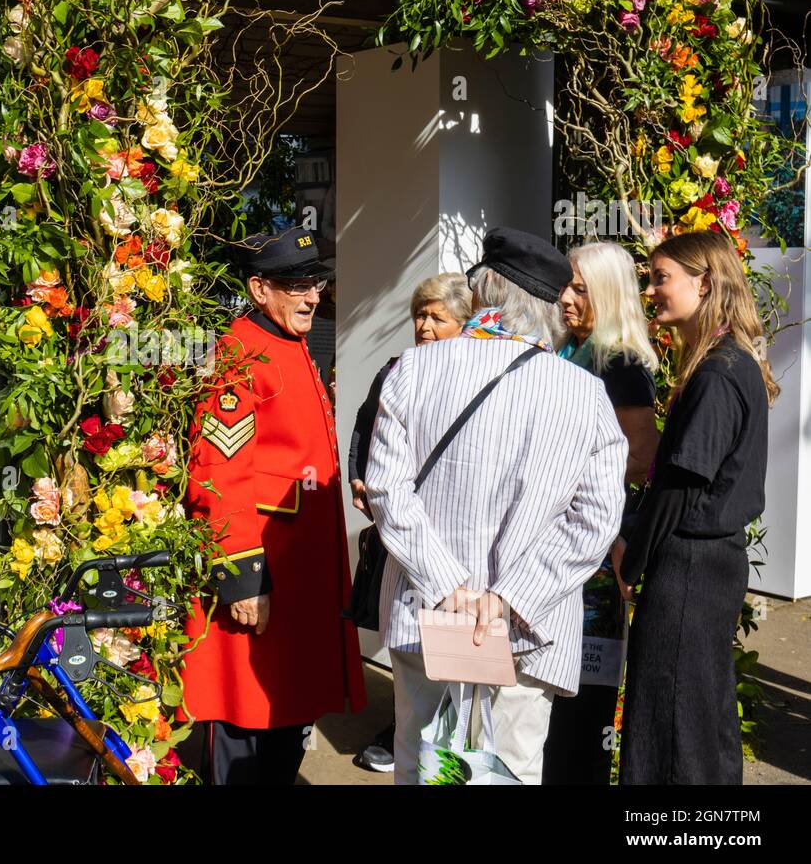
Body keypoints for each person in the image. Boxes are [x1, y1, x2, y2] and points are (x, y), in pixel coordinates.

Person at [367, 226, 627, 785]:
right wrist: (511, 597)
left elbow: (387, 490)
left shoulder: (414, 369)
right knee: (509, 769)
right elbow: (598, 518)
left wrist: (447, 583)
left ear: (482, 292)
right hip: (528, 631)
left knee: (421, 763)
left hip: (426, 612)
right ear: (552, 306)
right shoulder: (585, 394)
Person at [175, 225, 368, 784]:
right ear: (261, 290)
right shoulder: (238, 353)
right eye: (297, 285)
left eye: (316, 284)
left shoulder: (288, 343)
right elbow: (218, 472)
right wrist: (242, 577)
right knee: (244, 732)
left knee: (282, 730)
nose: (312, 296)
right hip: (263, 583)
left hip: (296, 586)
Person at [616, 230, 777, 785]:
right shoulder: (727, 363)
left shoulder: (717, 372)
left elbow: (681, 485)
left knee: (673, 723)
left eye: (662, 277)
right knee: (701, 717)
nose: (652, 290)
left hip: (690, 568)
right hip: (706, 566)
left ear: (703, 282)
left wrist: (633, 563)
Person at [543, 241, 659, 785]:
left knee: (582, 708)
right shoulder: (567, 350)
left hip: (596, 558)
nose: (565, 299)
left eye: (580, 290)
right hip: (557, 549)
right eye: (565, 286)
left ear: (608, 295)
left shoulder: (621, 363)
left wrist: (571, 489)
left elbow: (640, 459)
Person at [347, 271, 472, 773]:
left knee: (451, 644)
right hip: (399, 527)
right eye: (419, 315)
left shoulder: (475, 376)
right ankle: (404, 732)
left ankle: (448, 747)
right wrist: (360, 478)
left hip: (452, 535)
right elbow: (364, 423)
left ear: (465, 323)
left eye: (436, 317)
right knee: (405, 637)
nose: (423, 326)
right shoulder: (396, 368)